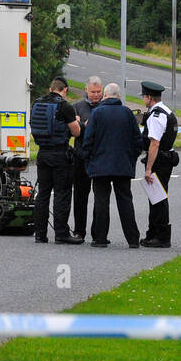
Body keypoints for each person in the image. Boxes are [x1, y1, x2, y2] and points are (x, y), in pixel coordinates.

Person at [81, 82, 143, 248]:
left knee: (101, 201)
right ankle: (133, 239)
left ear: (105, 95)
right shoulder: (128, 114)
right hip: (123, 165)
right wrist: (131, 158)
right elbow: (138, 141)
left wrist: (88, 162)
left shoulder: (97, 113)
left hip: (100, 165)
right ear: (119, 96)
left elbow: (88, 140)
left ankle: (100, 238)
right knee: (125, 201)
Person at [29, 77, 82, 244]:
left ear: (51, 88)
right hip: (59, 155)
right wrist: (77, 121)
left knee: (43, 195)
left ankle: (40, 234)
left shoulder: (37, 104)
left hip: (42, 154)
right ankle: (61, 233)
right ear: (64, 89)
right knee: (62, 193)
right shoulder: (64, 106)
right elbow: (76, 132)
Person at [139, 80, 179, 248]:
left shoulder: (156, 116)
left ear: (149, 97)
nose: (143, 99)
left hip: (160, 161)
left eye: (144, 96)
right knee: (159, 197)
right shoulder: (167, 111)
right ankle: (154, 233)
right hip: (167, 157)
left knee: (157, 199)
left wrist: (148, 168)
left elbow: (154, 143)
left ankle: (160, 236)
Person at [70, 75, 103, 243]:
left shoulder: (105, 107)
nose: (96, 95)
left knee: (100, 197)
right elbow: (72, 130)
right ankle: (79, 231)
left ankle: (98, 233)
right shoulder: (76, 107)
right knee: (80, 196)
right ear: (86, 90)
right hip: (80, 157)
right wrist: (83, 125)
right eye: (93, 92)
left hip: (99, 158)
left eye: (99, 92)